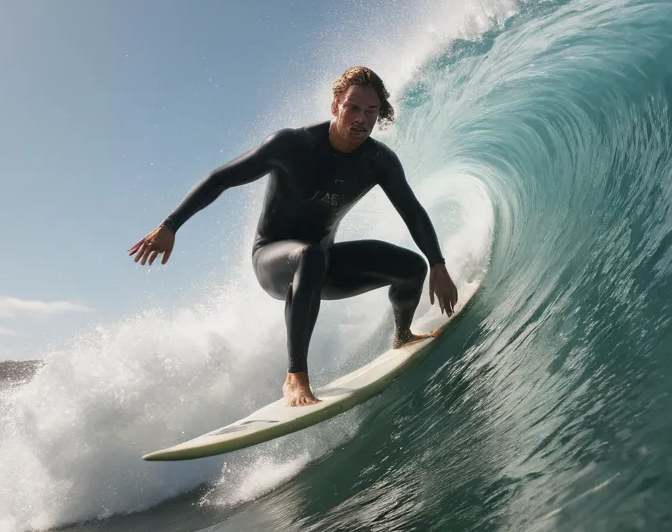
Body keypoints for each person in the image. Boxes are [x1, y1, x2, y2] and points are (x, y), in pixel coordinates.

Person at [129, 66, 459, 406]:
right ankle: (295, 378)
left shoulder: (379, 161)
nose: (361, 119)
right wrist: (170, 225)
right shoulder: (292, 145)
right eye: (353, 108)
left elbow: (412, 211)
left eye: (371, 112)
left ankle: (403, 336)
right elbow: (220, 179)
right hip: (272, 260)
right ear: (335, 106)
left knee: (412, 267)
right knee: (310, 255)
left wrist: (438, 263)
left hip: (321, 262)